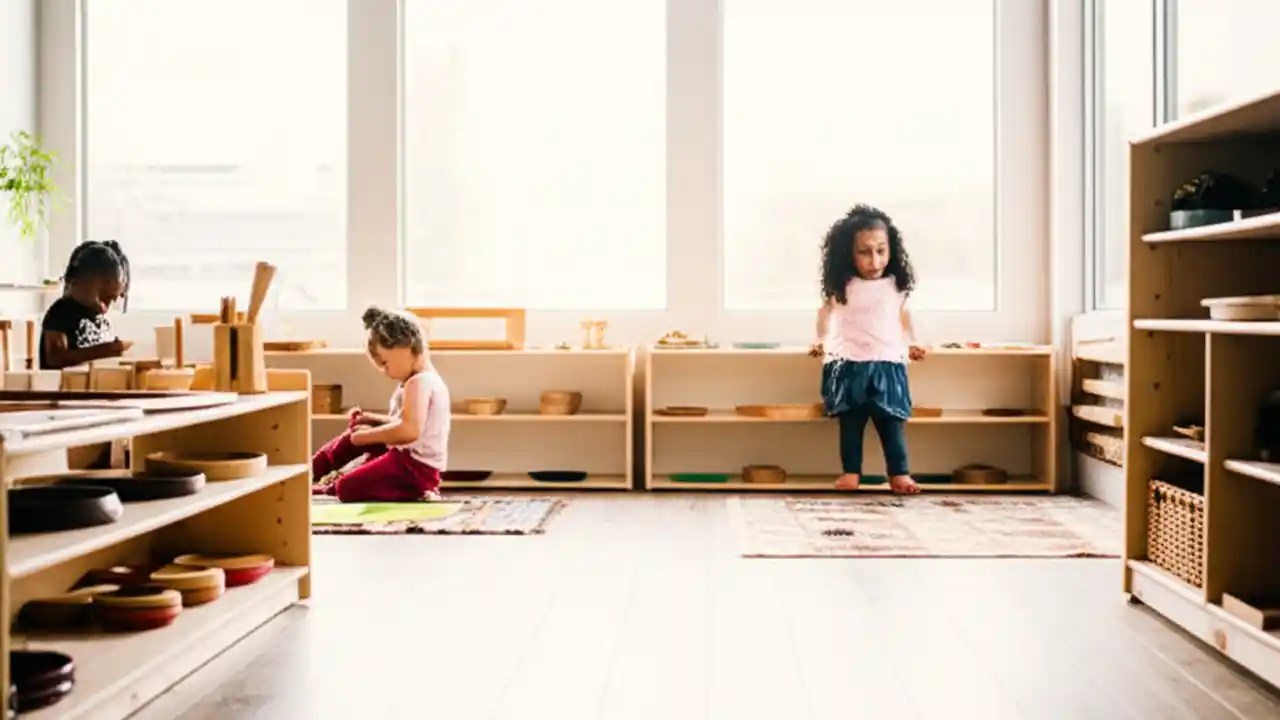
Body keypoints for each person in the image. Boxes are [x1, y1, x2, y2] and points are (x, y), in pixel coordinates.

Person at [811, 205, 926, 494]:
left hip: (887, 362)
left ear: (891, 249)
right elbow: (825, 314)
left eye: (881, 251)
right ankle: (851, 472)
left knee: (892, 422)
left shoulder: (895, 286)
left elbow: (903, 317)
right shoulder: (842, 286)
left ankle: (899, 473)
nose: (875, 261)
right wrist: (820, 339)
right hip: (847, 363)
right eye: (864, 252)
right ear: (848, 253)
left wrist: (912, 342)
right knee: (850, 423)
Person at [312, 306, 451, 502]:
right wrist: (373, 421)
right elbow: (406, 422)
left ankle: (328, 485)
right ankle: (312, 471)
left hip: (415, 470)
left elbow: (409, 431)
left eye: (385, 363)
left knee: (347, 486)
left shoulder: (419, 383)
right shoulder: (419, 380)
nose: (384, 372)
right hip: (406, 458)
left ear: (406, 347)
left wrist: (364, 438)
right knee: (357, 432)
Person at [40, 240, 133, 370]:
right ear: (77, 283)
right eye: (102, 298)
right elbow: (55, 357)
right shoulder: (61, 312)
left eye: (112, 299)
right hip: (65, 382)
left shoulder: (98, 318)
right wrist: (103, 351)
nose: (105, 308)